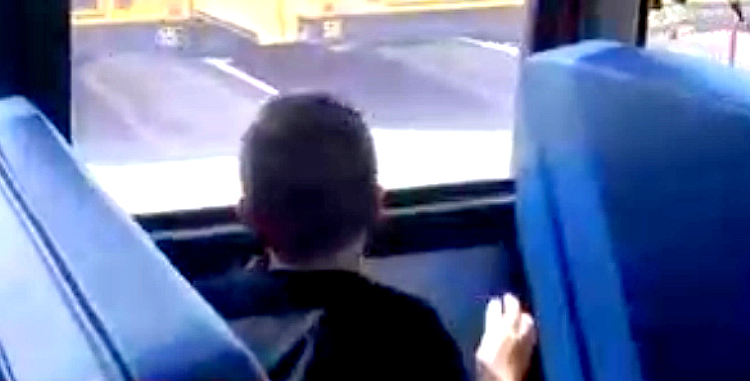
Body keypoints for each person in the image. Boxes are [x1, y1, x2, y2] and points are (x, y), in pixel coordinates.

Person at [197, 92, 536, 381]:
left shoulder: (201, 324)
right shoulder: (408, 334)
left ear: (247, 215)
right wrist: (499, 374)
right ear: (377, 206)